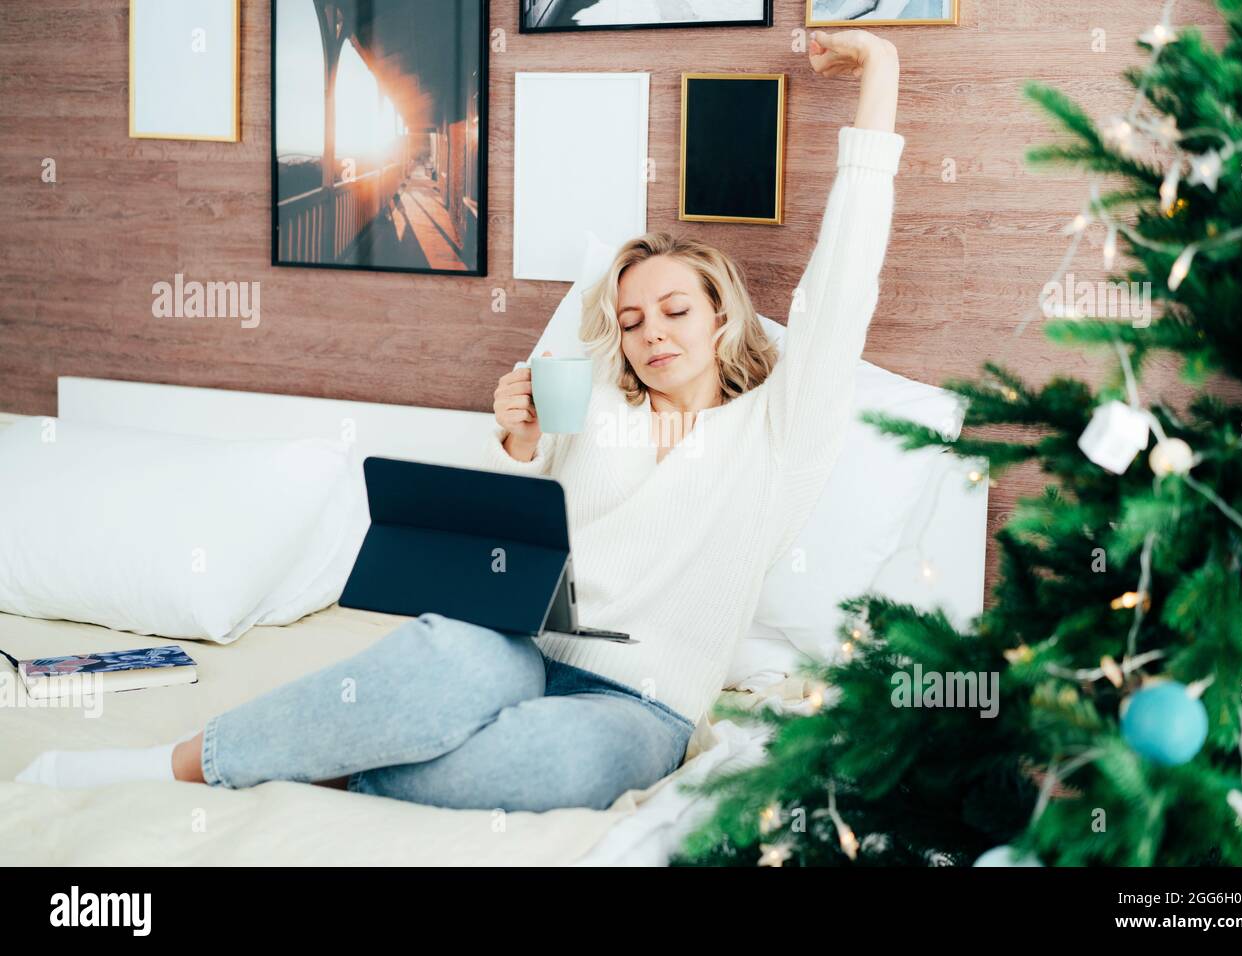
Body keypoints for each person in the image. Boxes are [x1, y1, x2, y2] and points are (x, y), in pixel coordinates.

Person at [16, 29, 905, 812]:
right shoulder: (591, 401)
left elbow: (844, 280)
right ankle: (177, 764)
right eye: (631, 322)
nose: (652, 334)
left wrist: (882, 70)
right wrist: (517, 446)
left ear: (722, 316)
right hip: (520, 644)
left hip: (640, 706)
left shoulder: (779, 434)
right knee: (447, 659)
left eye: (675, 310)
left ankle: (324, 769)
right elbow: (512, 529)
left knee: (556, 764)